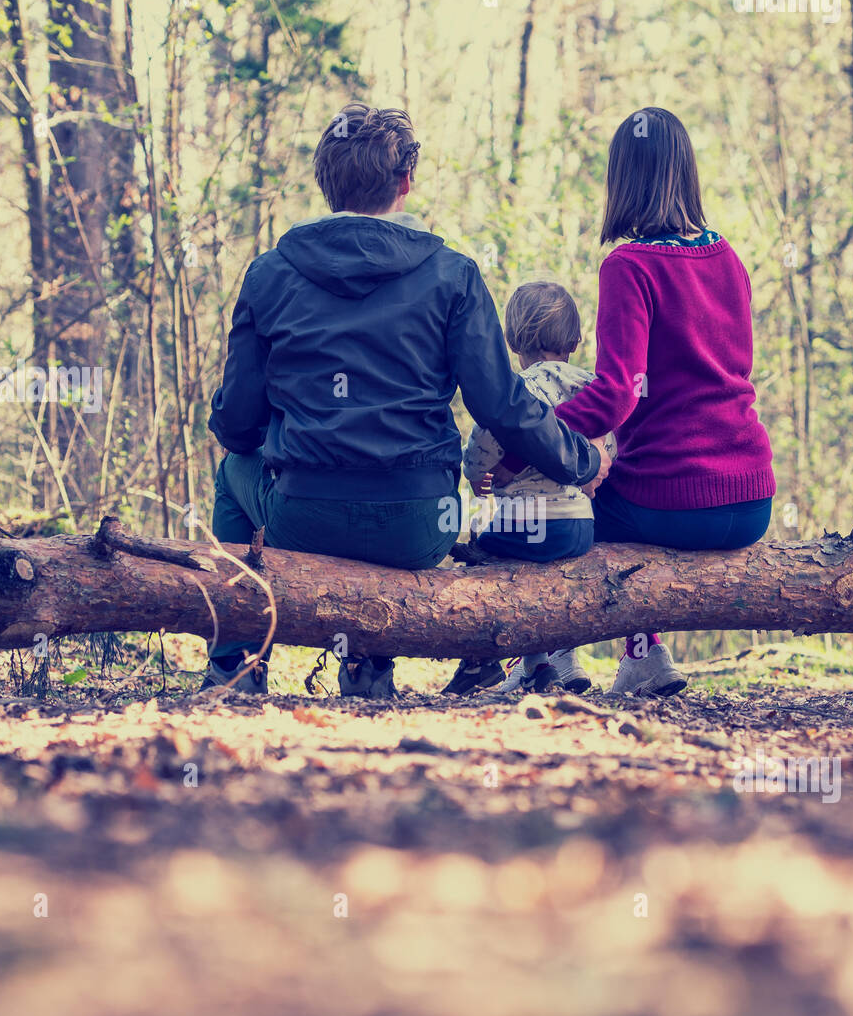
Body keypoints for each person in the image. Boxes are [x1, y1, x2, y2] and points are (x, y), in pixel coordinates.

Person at [205, 103, 610, 697]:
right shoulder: (454, 275)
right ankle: (370, 664)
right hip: (422, 521)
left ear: (325, 183)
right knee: (388, 504)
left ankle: (236, 665)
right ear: (406, 182)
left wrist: (275, 441)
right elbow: (502, 407)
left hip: (304, 513)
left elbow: (237, 422)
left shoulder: (269, 275)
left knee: (232, 475)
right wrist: (583, 461)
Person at [494, 107, 774, 697]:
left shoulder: (631, 266)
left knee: (555, 510)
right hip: (751, 499)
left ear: (622, 181)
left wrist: (531, 437)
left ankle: (548, 657)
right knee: (612, 494)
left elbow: (618, 393)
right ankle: (645, 657)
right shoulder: (728, 257)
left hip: (672, 498)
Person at [445, 281, 617, 696]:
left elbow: (486, 438)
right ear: (575, 340)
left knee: (481, 556)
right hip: (578, 527)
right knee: (538, 573)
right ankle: (540, 667)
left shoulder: (516, 391)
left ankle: (480, 664)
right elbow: (607, 444)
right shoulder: (591, 387)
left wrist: (473, 472)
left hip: (528, 522)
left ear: (511, 339)